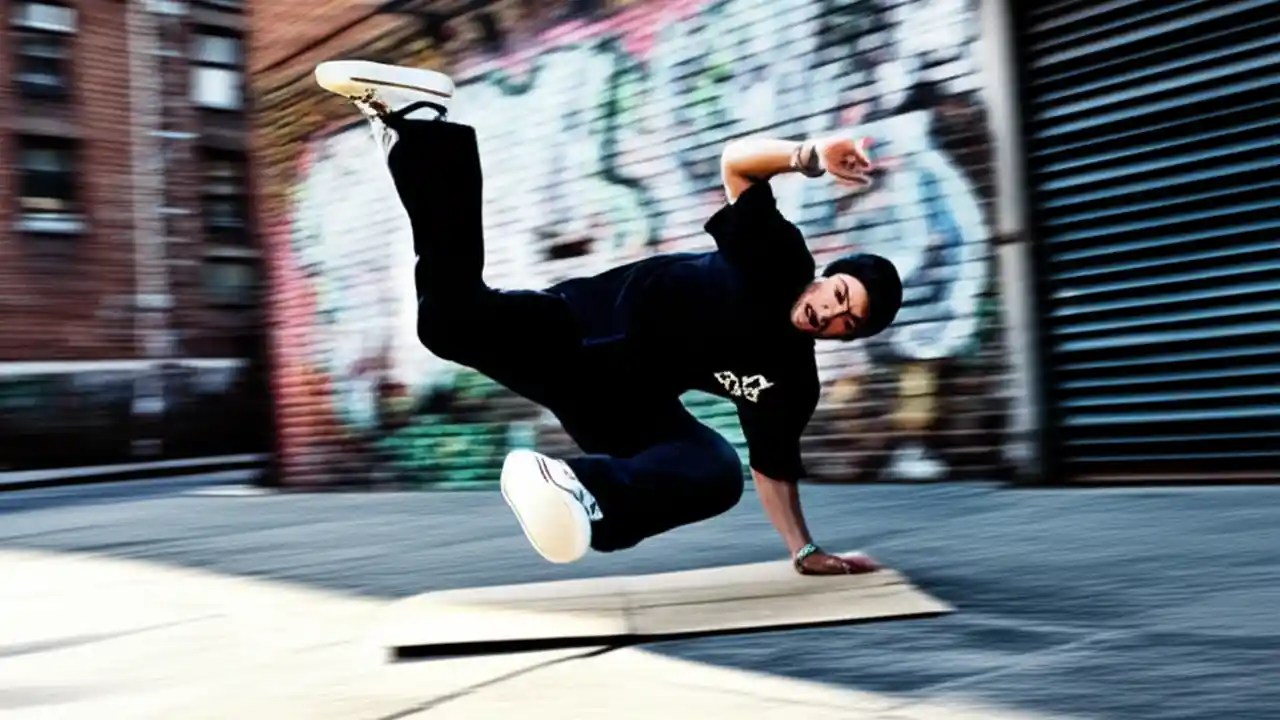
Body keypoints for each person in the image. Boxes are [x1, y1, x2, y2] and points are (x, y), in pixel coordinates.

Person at [315, 60, 903, 576]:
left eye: (846, 323)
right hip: (575, 328)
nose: (829, 314)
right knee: (446, 323)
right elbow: (738, 164)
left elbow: (775, 470)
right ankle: (422, 121)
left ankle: (579, 491)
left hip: (624, 407)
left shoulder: (791, 382)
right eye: (840, 295)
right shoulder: (778, 256)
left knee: (719, 473)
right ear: (828, 275)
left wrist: (803, 552)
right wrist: (809, 156)